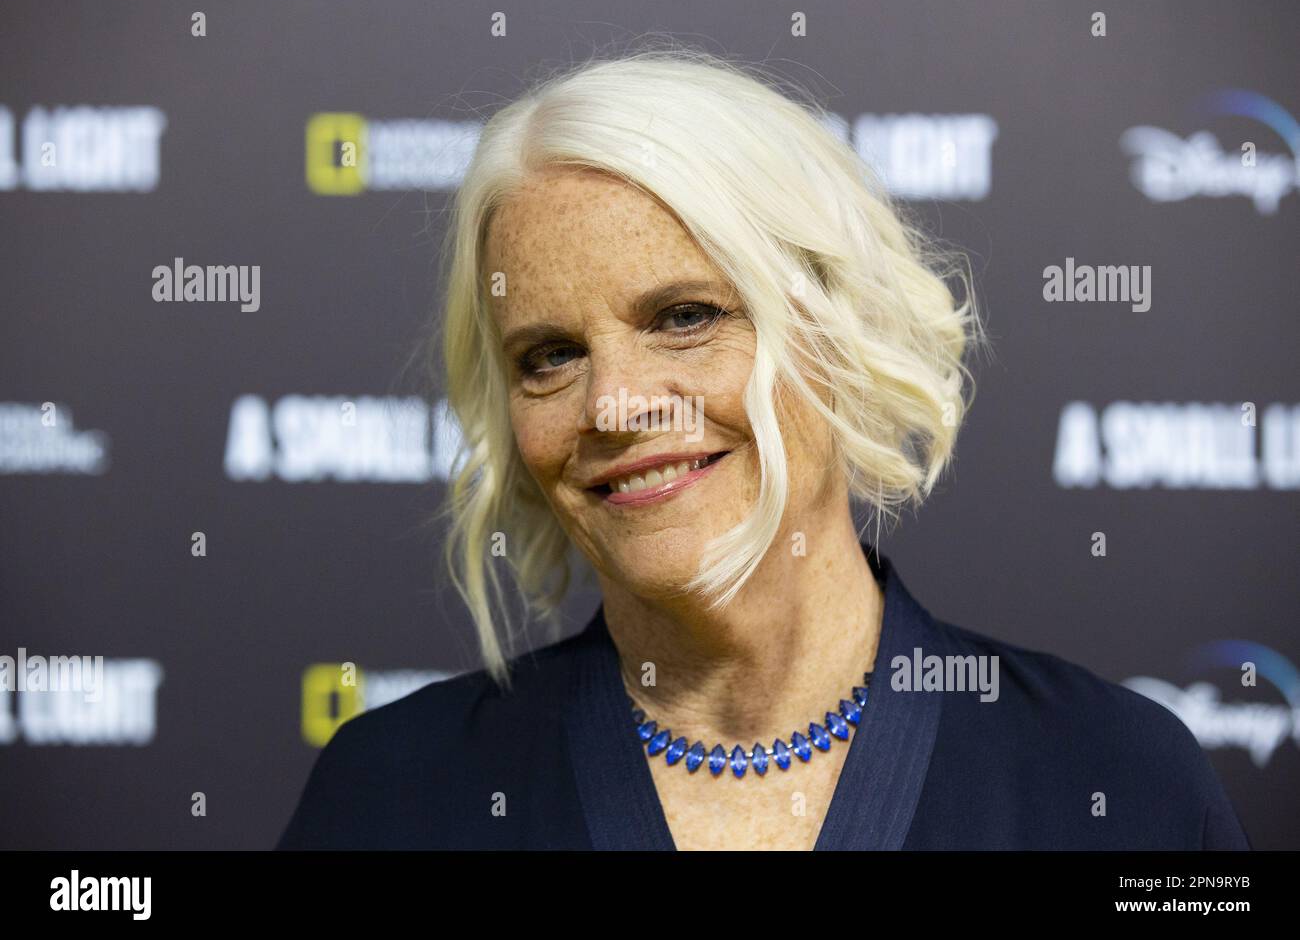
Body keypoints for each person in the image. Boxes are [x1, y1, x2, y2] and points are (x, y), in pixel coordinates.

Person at [276, 47, 1250, 850]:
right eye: (550, 354)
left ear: (834, 328)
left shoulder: (1115, 782)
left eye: (685, 315)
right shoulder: (388, 799)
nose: (615, 405)